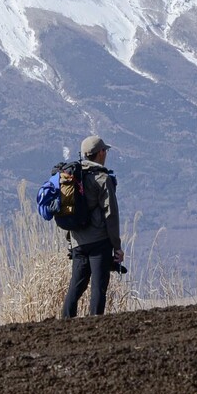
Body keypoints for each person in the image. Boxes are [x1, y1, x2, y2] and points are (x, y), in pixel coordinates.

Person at [60, 134, 123, 318]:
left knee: (75, 288)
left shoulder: (74, 176)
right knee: (98, 287)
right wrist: (117, 247)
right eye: (105, 150)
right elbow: (110, 215)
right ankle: (95, 326)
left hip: (77, 241)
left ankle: (63, 325)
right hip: (99, 242)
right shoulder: (103, 179)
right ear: (101, 153)